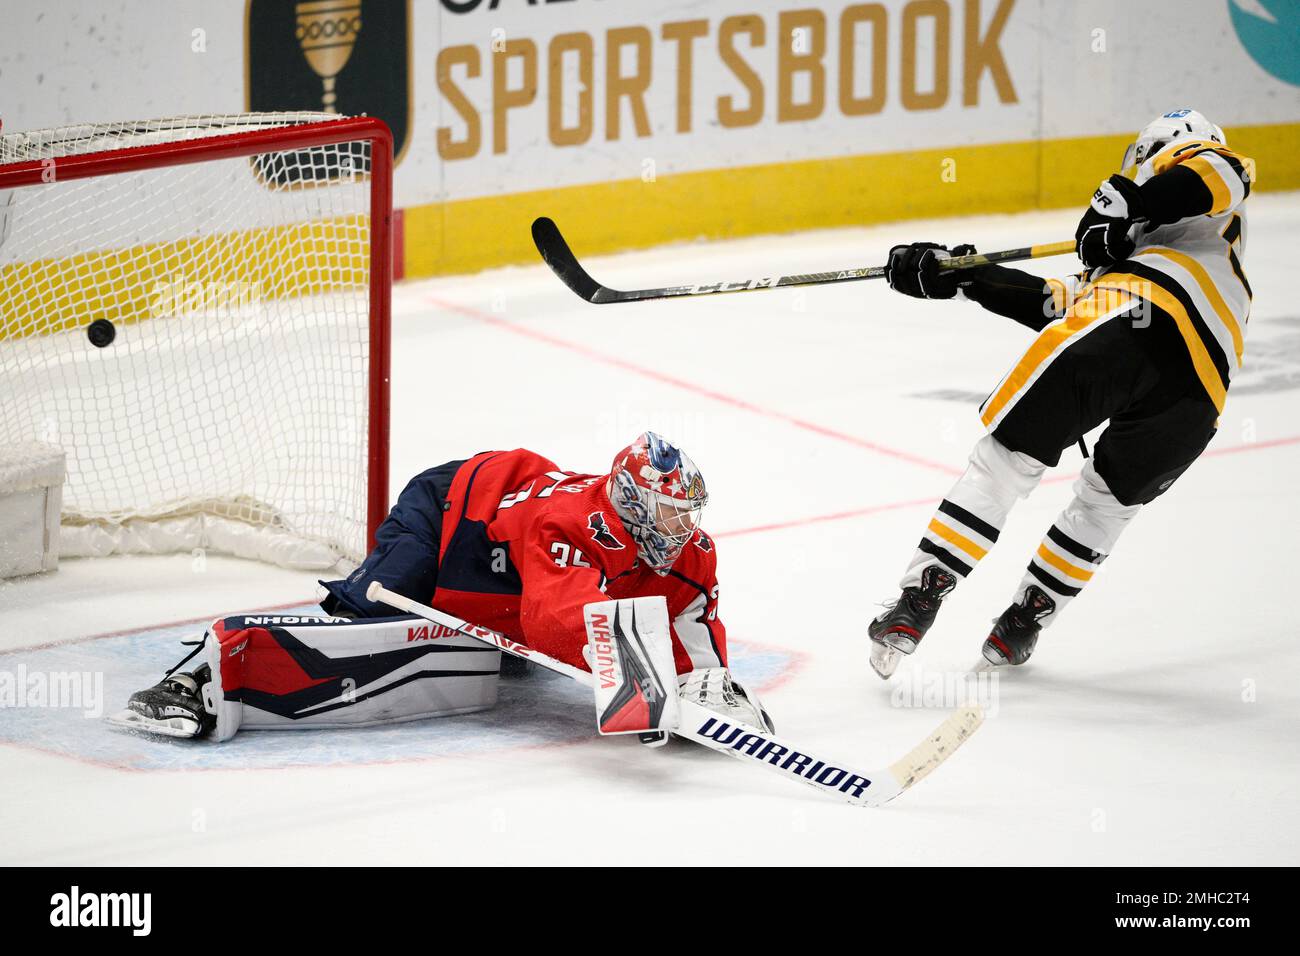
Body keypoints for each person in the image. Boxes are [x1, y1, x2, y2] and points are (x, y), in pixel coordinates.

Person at [867, 108, 1253, 678]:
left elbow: (1216, 176)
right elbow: (1056, 301)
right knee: (1107, 504)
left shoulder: (1207, 172)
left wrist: (1124, 200)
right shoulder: (1146, 253)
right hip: (1196, 394)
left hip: (1127, 320)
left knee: (1004, 464)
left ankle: (918, 599)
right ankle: (1025, 621)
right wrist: (966, 274)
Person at [113, 433, 772, 738]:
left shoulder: (690, 552)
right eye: (668, 513)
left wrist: (705, 685)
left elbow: (694, 624)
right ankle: (193, 679)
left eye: (689, 513)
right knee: (366, 623)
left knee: (487, 659)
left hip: (502, 559)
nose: (682, 528)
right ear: (628, 504)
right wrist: (642, 677)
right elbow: (555, 618)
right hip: (449, 510)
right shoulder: (571, 524)